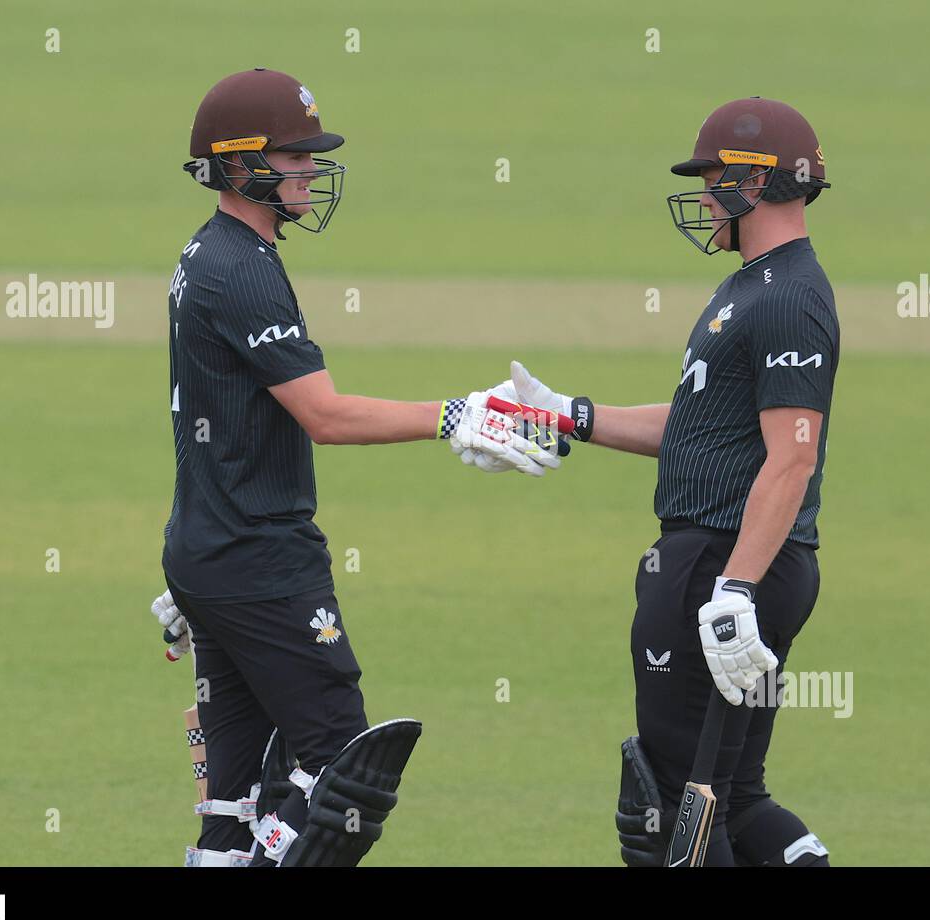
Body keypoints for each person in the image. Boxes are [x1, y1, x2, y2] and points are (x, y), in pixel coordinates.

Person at [152, 68, 559, 867]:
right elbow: (325, 415)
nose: (310, 168)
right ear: (239, 165)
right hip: (260, 560)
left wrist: (201, 573)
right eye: (295, 155)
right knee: (344, 762)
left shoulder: (211, 254)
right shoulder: (241, 270)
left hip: (212, 551)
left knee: (230, 805)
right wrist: (454, 414)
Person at [510, 97, 838, 866]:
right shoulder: (753, 285)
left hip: (721, 563)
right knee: (734, 794)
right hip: (741, 563)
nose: (700, 195)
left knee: (671, 810)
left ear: (754, 183)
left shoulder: (787, 296)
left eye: (711, 177)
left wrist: (734, 590)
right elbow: (699, 429)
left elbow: (793, 455)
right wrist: (571, 415)